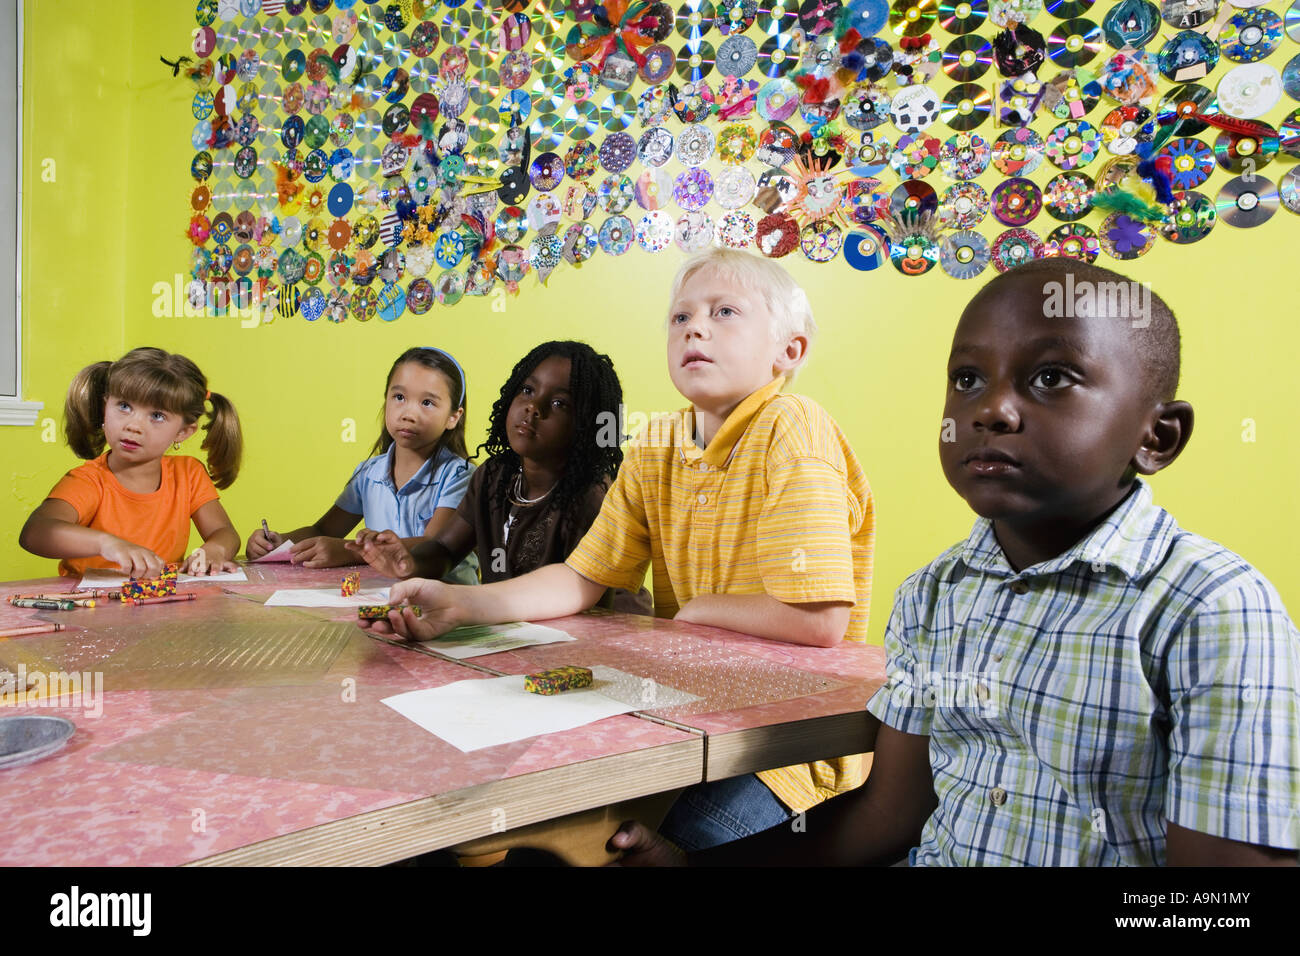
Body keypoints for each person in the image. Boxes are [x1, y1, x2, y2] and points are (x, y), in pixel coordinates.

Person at [609, 258, 1300, 867]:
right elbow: (888, 818)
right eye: (967, 379)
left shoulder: (1212, 608)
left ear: (1158, 436)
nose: (991, 409)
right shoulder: (935, 596)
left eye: (1052, 378)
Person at [360, 249, 876, 850]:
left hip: (786, 748)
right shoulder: (658, 442)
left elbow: (819, 619)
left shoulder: (794, 427)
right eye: (680, 318)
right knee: (553, 806)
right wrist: (460, 604)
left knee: (670, 838)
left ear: (789, 352)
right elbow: (579, 578)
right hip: (689, 719)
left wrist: (696, 612)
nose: (695, 328)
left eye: (724, 312)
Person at [349, 340, 648, 613]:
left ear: (586, 424)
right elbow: (445, 549)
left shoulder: (591, 496)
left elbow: (592, 608)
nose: (534, 407)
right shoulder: (494, 477)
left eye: (559, 404)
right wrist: (408, 561)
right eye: (528, 391)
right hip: (511, 630)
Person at [246, 347, 478, 583]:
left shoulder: (460, 475)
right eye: (399, 398)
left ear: (453, 417)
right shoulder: (369, 473)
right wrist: (278, 542)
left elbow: (436, 544)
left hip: (446, 601)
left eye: (427, 402)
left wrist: (349, 551)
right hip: (386, 599)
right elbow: (323, 531)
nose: (408, 413)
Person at [20, 347, 243, 578]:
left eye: (157, 416)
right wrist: (106, 544)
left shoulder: (188, 473)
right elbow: (35, 533)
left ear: (183, 432)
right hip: (90, 607)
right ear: (105, 406)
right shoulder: (88, 480)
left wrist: (215, 550)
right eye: (124, 406)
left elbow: (224, 532)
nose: (133, 426)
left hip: (163, 606)